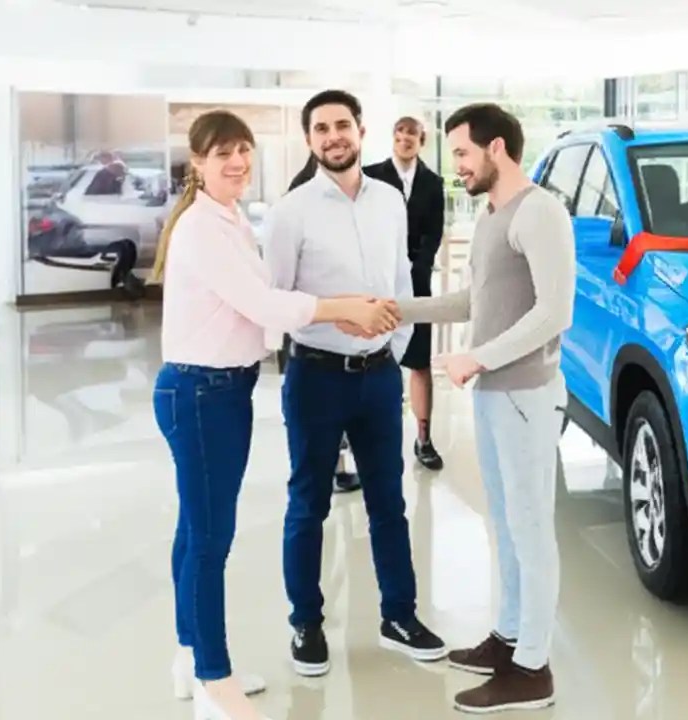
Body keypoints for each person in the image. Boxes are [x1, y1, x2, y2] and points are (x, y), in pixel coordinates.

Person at [151, 109, 399, 720]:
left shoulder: (229, 218)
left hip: (219, 391)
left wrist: (335, 315)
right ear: (198, 164)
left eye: (243, 151)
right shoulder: (203, 229)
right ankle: (215, 679)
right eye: (222, 155)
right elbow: (263, 301)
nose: (236, 163)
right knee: (210, 540)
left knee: (194, 532)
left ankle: (189, 658)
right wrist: (340, 307)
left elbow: (262, 309)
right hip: (202, 394)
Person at [395, 103, 573, 714]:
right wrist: (403, 308)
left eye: (464, 155)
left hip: (525, 394)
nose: (457, 169)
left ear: (497, 149)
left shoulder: (540, 212)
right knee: (505, 524)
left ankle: (534, 670)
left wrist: (477, 359)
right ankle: (509, 637)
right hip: (499, 396)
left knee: (530, 529)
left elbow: (554, 313)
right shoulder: (495, 217)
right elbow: (479, 298)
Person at [262, 89, 447, 678]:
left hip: (377, 378)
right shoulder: (291, 211)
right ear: (309, 139)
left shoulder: (390, 201)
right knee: (308, 504)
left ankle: (399, 616)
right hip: (315, 376)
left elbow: (399, 282)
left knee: (388, 502)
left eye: (342, 124)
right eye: (321, 128)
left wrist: (388, 351)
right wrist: (334, 317)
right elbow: (277, 301)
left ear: (360, 130)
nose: (333, 136)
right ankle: (306, 622)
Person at [364, 116, 447, 472]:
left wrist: (416, 271)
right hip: (376, 282)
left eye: (411, 135)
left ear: (421, 140)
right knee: (372, 360)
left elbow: (434, 233)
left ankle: (424, 439)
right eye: (399, 134)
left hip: (417, 285)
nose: (404, 139)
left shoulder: (433, 182)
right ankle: (367, 439)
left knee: (419, 362)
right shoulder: (370, 175)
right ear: (392, 138)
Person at [284, 157, 362, 495]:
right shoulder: (298, 199)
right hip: (314, 347)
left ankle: (341, 464)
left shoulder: (371, 197)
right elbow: (279, 291)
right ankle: (334, 466)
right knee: (308, 485)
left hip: (361, 345)